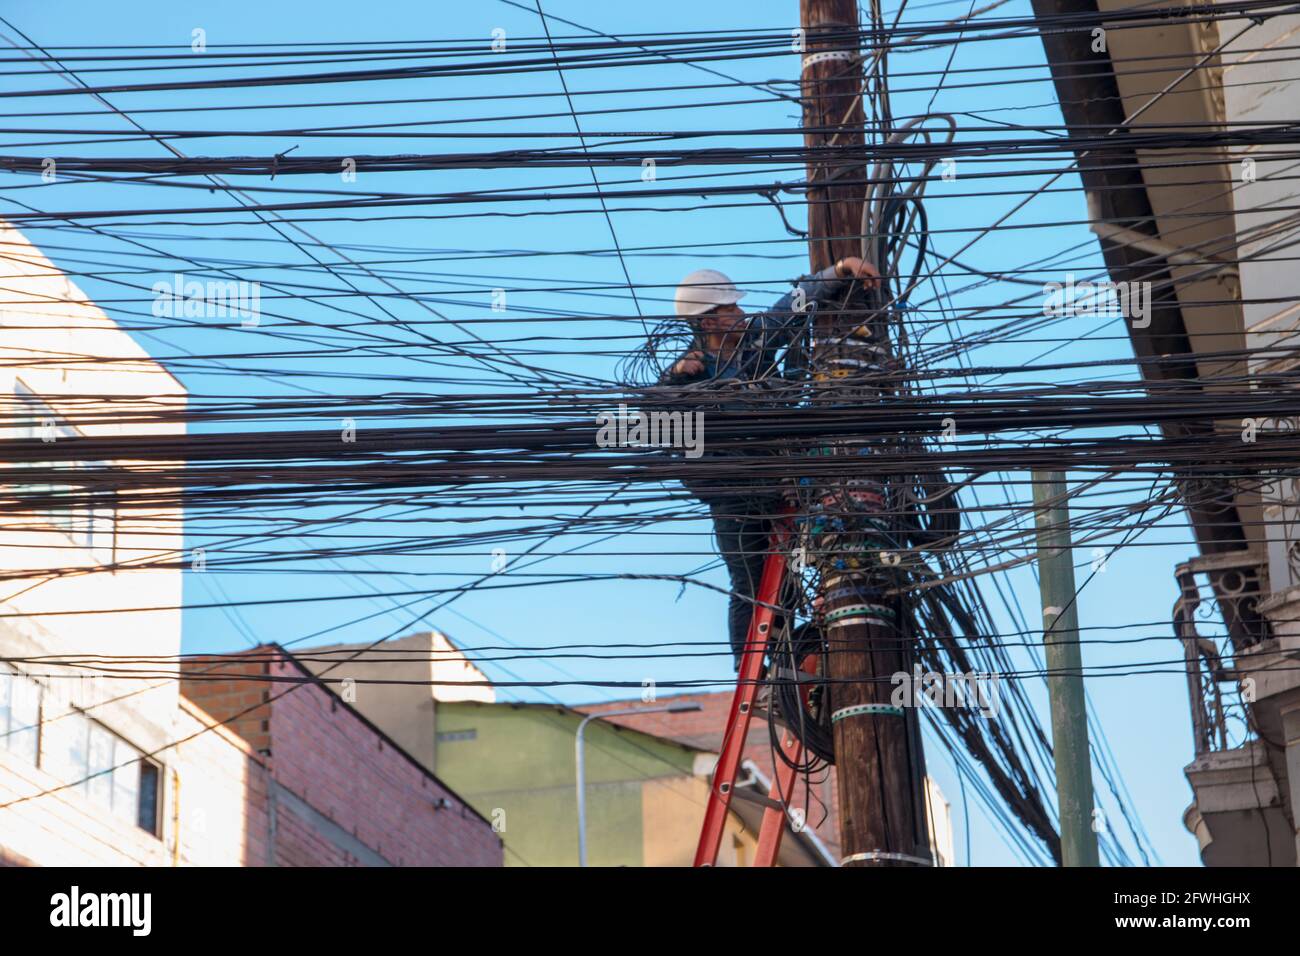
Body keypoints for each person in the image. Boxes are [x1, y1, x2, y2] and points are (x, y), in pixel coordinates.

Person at [657, 258, 882, 669]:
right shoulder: (686, 377)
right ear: (707, 323)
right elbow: (652, 419)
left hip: (776, 480)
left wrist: (840, 270)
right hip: (733, 495)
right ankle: (752, 674)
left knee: (790, 585)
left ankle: (788, 663)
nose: (741, 314)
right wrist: (674, 376)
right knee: (748, 582)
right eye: (730, 310)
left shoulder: (755, 341)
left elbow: (791, 305)